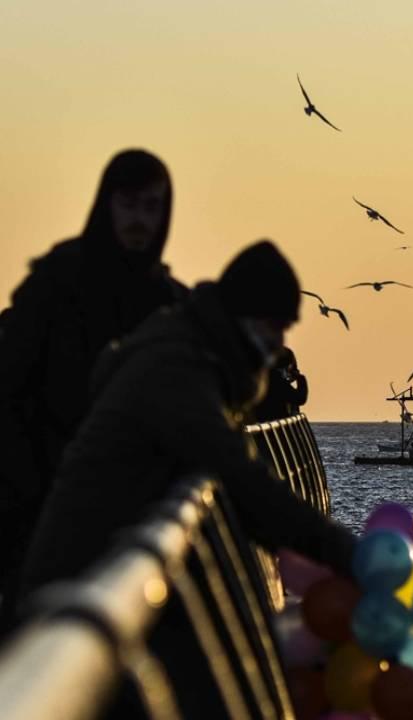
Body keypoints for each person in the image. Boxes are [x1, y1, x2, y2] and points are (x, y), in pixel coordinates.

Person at [15, 241, 355, 605]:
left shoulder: (192, 349)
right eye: (274, 326)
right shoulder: (177, 369)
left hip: (92, 570)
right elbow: (237, 474)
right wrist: (343, 552)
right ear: (245, 317)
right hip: (75, 592)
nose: (278, 342)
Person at [0, 149, 185, 622]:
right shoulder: (56, 282)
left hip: (125, 513)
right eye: (128, 205)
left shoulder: (166, 303)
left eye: (151, 207)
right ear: (106, 205)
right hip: (39, 503)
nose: (139, 221)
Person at [254, 346, 309, 421]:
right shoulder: (276, 379)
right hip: (274, 423)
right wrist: (300, 378)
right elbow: (299, 398)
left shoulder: (263, 377)